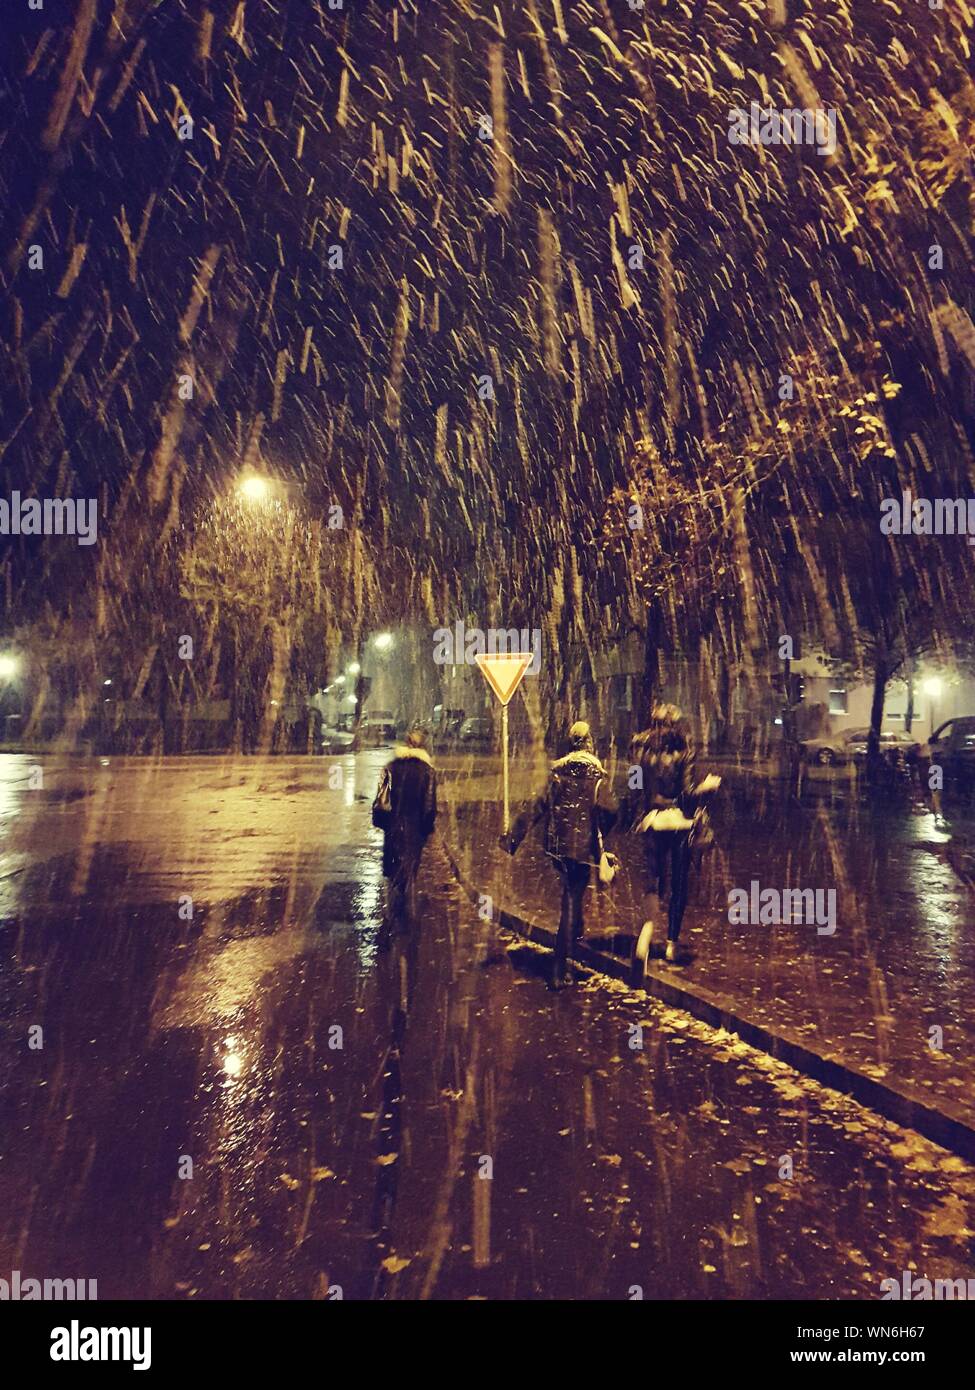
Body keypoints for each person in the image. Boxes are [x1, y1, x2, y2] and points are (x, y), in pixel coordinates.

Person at [505, 720, 617, 990]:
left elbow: (537, 806)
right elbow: (611, 811)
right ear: (589, 743)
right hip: (583, 848)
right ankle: (559, 968)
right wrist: (601, 831)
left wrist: (512, 839)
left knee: (572, 894)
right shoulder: (597, 776)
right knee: (570, 900)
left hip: (558, 847)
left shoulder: (557, 774)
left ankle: (574, 932)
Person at [628, 703, 719, 965]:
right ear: (675, 725)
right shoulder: (683, 752)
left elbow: (634, 787)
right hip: (678, 824)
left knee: (654, 881)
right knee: (679, 884)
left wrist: (640, 814)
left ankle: (646, 932)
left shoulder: (640, 752)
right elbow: (687, 793)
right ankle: (671, 944)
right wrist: (707, 786)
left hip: (652, 822)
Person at [372, 727, 438, 931]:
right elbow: (429, 806)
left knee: (394, 871)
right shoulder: (427, 771)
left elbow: (381, 801)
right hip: (414, 828)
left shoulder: (390, 767)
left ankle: (393, 913)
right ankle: (405, 918)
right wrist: (425, 829)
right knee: (409, 870)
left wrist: (385, 824)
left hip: (393, 826)